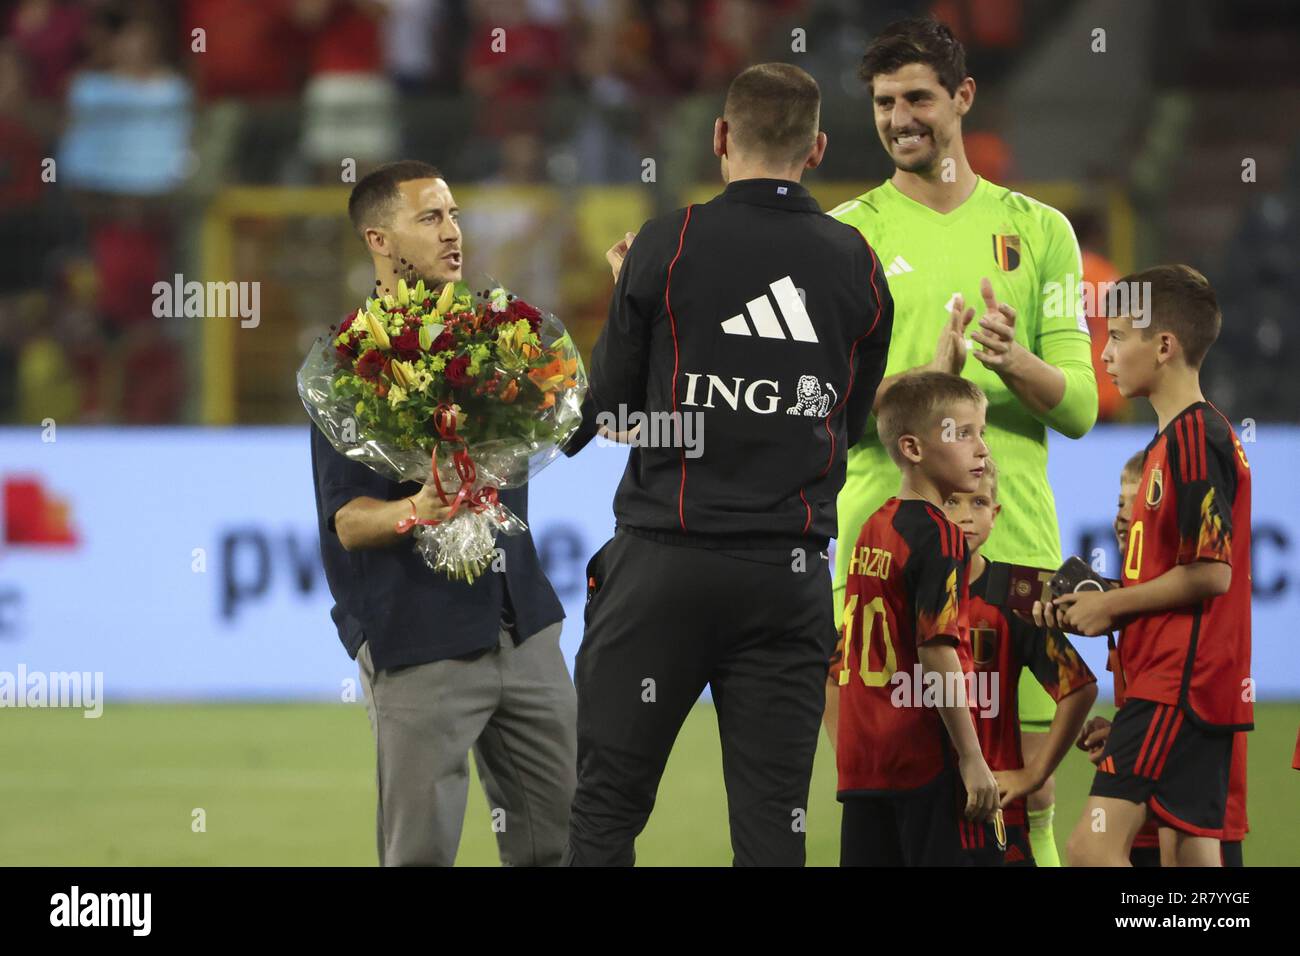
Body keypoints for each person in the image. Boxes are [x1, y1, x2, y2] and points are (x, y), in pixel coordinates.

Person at [564, 63, 893, 866]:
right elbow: (846, 424)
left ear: (719, 138)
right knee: (774, 828)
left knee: (604, 811)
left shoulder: (665, 243)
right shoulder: (858, 264)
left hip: (664, 564)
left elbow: (605, 413)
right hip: (787, 577)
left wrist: (629, 295)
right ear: (815, 148)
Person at [825, 17, 1098, 866]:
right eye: (882, 102)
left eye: (916, 98)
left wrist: (1014, 363)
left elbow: (1081, 405)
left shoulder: (1041, 230)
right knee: (890, 780)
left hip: (1010, 539)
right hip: (884, 547)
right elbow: (819, 410)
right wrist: (921, 383)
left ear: (962, 99)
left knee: (1029, 787)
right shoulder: (844, 237)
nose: (898, 117)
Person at [310, 160, 576, 866]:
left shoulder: (503, 338)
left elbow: (581, 421)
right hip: (417, 636)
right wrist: (418, 508)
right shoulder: (349, 363)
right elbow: (348, 522)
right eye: (430, 218)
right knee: (420, 855)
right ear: (379, 240)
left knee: (561, 847)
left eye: (454, 215)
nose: (453, 232)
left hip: (521, 626)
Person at [1040, 264, 1252, 867]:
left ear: (1163, 346)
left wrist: (1111, 603)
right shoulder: (1174, 442)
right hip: (1177, 687)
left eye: (1115, 337)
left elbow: (1213, 571)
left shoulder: (1193, 438)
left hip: (1176, 687)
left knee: (1087, 849)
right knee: (1190, 857)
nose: (1103, 354)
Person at [835, 371, 996, 866]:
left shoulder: (874, 526)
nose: (982, 450)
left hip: (866, 766)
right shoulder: (940, 535)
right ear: (913, 447)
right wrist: (970, 756)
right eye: (963, 433)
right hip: (923, 760)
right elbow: (936, 650)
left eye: (982, 433)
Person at [942, 458, 1097, 865]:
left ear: (995, 514)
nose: (964, 517)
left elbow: (1078, 686)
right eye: (951, 502)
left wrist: (1034, 773)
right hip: (914, 803)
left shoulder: (1013, 595)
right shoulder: (897, 593)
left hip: (993, 812)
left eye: (977, 503)